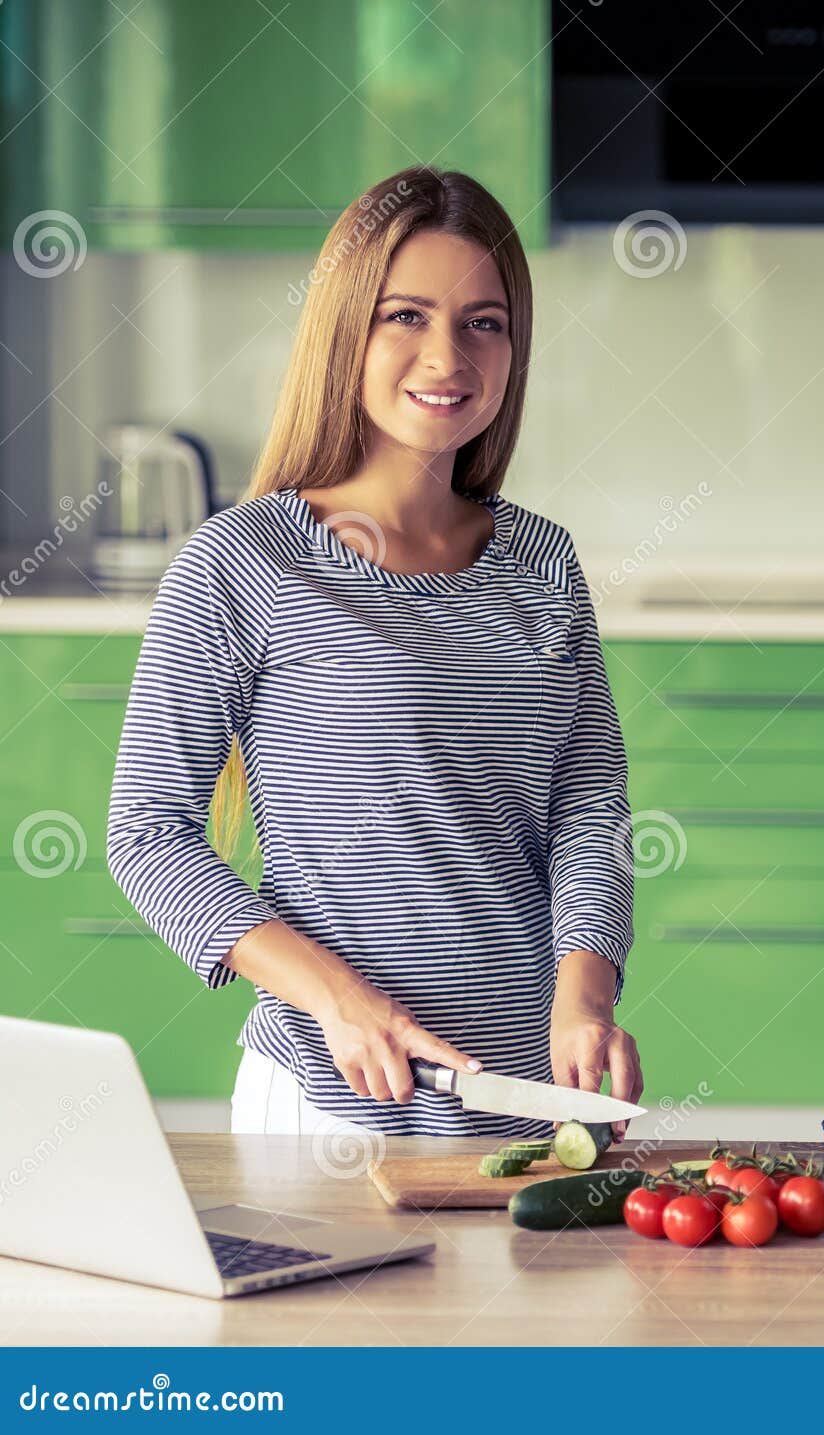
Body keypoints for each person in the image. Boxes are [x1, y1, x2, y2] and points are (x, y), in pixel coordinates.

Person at [107, 167, 640, 1139]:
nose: (448, 355)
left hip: (530, 1106)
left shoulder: (542, 561)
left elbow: (587, 809)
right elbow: (147, 833)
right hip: (331, 1112)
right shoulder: (246, 560)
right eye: (406, 315)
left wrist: (586, 997)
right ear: (345, 328)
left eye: (484, 322)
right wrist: (339, 1000)